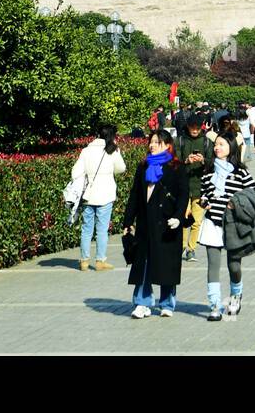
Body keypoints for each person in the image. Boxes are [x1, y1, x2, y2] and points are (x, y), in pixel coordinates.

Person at [123, 129, 188, 318]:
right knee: (142, 264)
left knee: (166, 264)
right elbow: (135, 195)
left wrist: (178, 216)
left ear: (167, 146)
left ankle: (167, 303)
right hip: (145, 223)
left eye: (157, 142)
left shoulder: (177, 167)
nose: (152, 145)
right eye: (151, 142)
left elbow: (184, 195)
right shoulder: (143, 167)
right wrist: (128, 221)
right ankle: (142, 303)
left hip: (167, 223)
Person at [197, 135, 255, 320]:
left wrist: (237, 203)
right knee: (213, 265)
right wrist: (204, 202)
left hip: (233, 224)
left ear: (231, 147)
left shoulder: (240, 173)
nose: (217, 148)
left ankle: (235, 296)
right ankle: (214, 305)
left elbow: (253, 193)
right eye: (216, 145)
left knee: (234, 265)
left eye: (221, 144)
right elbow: (204, 194)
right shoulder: (208, 172)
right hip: (212, 223)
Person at [72, 126, 128, 271]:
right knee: (102, 230)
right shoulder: (113, 150)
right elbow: (121, 168)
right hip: (106, 195)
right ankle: (100, 260)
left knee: (86, 229)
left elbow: (75, 172)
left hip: (88, 196)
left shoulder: (86, 151)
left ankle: (84, 261)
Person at [178, 113, 213, 262]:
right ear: (188, 126)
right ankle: (179, 248)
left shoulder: (207, 142)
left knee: (196, 221)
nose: (195, 130)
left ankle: (191, 249)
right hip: (183, 186)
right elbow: (173, 161)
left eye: (197, 127)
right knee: (183, 220)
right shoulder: (180, 141)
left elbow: (213, 163)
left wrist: (203, 160)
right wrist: (185, 161)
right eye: (192, 127)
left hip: (200, 187)